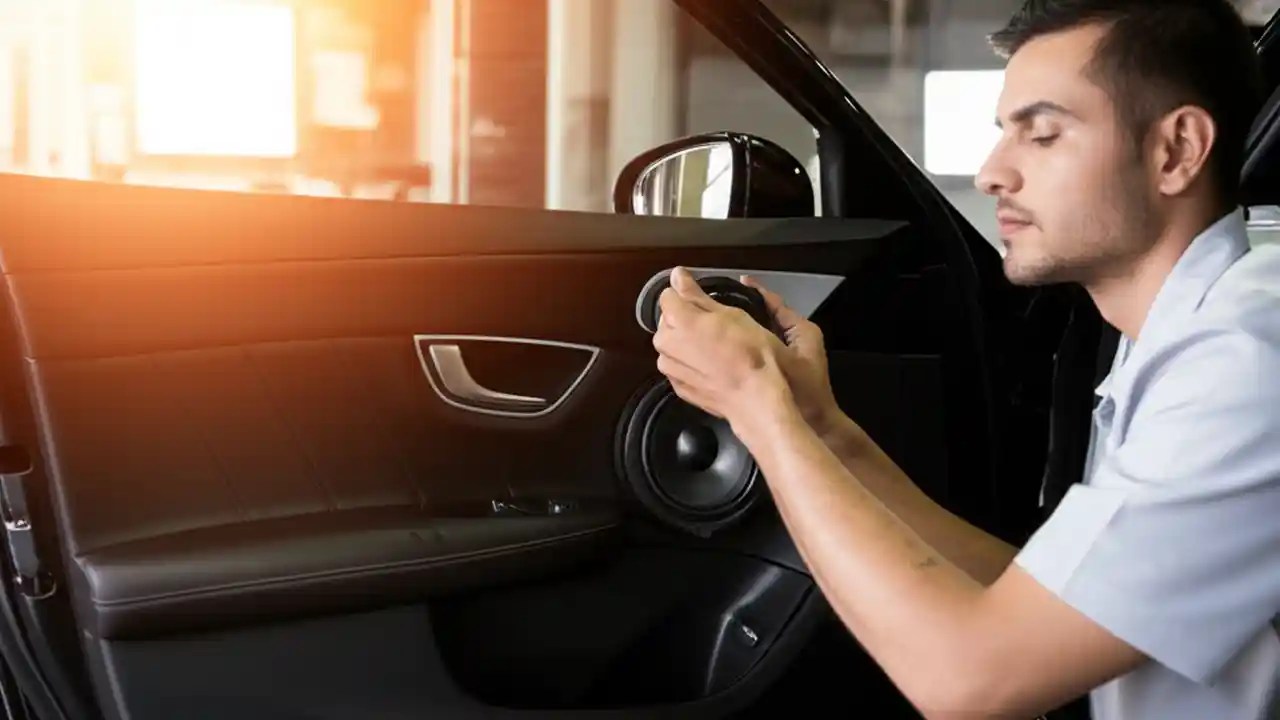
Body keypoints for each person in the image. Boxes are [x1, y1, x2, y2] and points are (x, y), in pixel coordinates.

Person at [650, 0, 1279, 718]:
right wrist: (820, 425)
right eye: (1002, 134)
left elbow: (971, 679)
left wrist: (758, 408)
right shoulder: (1177, 334)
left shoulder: (1246, 360)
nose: (991, 174)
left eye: (1042, 136)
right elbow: (1035, 601)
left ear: (1176, 150)